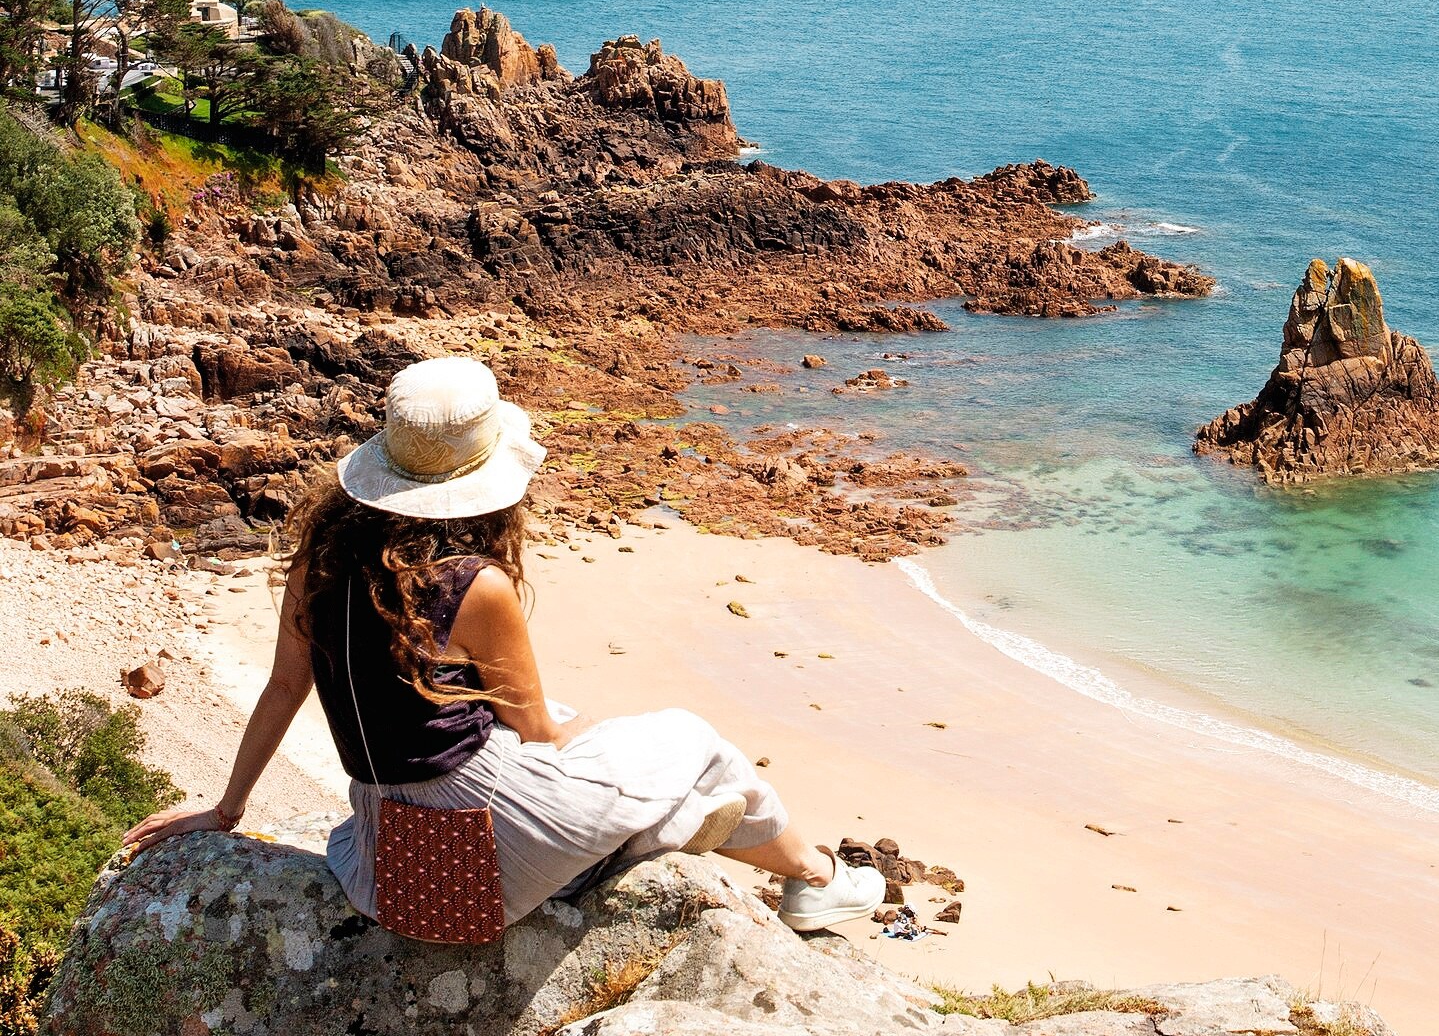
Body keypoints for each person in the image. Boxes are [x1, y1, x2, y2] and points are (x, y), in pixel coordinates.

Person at [124, 356, 885, 935]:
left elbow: (285, 687)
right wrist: (592, 733)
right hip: (484, 860)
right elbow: (537, 730)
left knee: (612, 762)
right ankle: (816, 878)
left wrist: (227, 808)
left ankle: (641, 836)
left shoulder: (318, 562)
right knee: (692, 741)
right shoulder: (470, 584)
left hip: (388, 863)